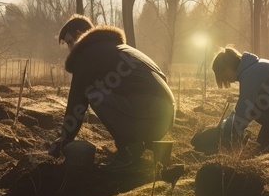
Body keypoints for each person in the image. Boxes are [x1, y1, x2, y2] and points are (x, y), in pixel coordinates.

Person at [48, 15, 175, 170]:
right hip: (166, 116)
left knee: (94, 94)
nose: (70, 48)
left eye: (70, 42)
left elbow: (77, 102)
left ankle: (127, 154)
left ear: (81, 34)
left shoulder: (86, 55)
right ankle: (146, 146)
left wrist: (64, 139)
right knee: (107, 89)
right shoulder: (114, 48)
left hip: (149, 112)